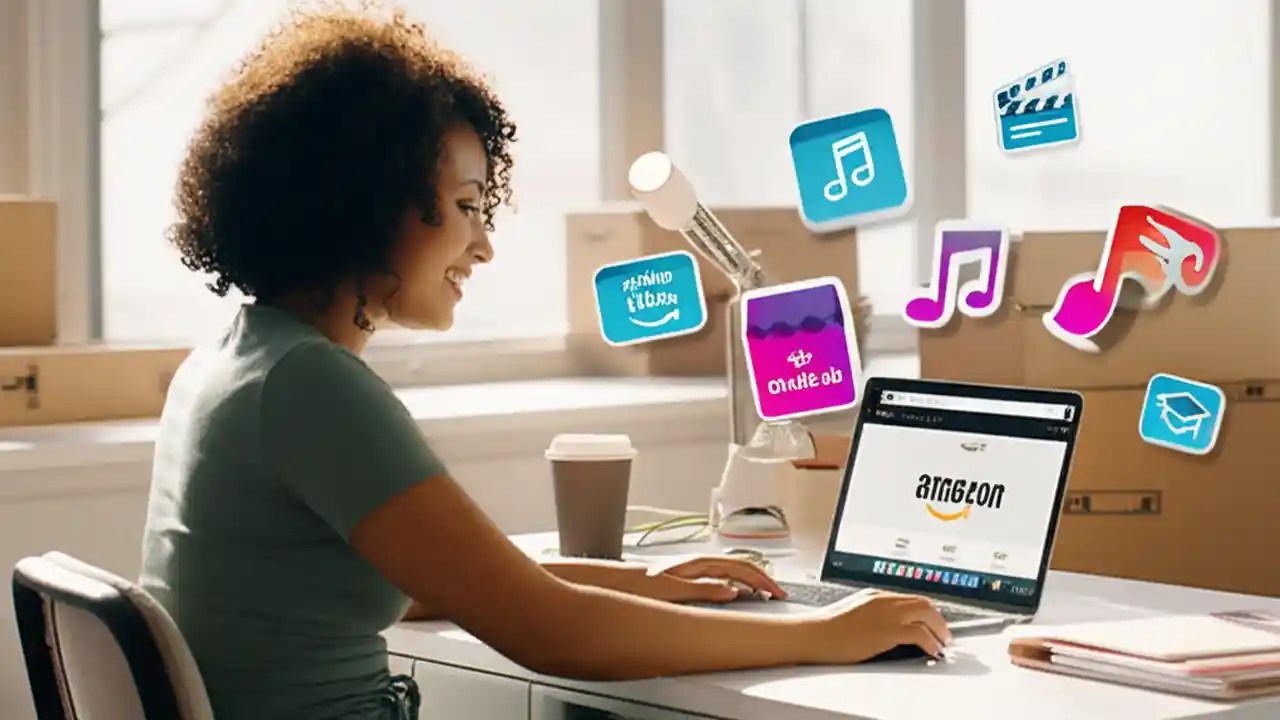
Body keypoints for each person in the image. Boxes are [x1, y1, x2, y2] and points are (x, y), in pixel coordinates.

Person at [139, 6, 948, 720]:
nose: (483, 244)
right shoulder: (311, 388)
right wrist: (823, 634)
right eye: (463, 208)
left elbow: (428, 581)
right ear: (364, 200)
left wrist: (640, 582)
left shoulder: (233, 362)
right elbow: (549, 633)